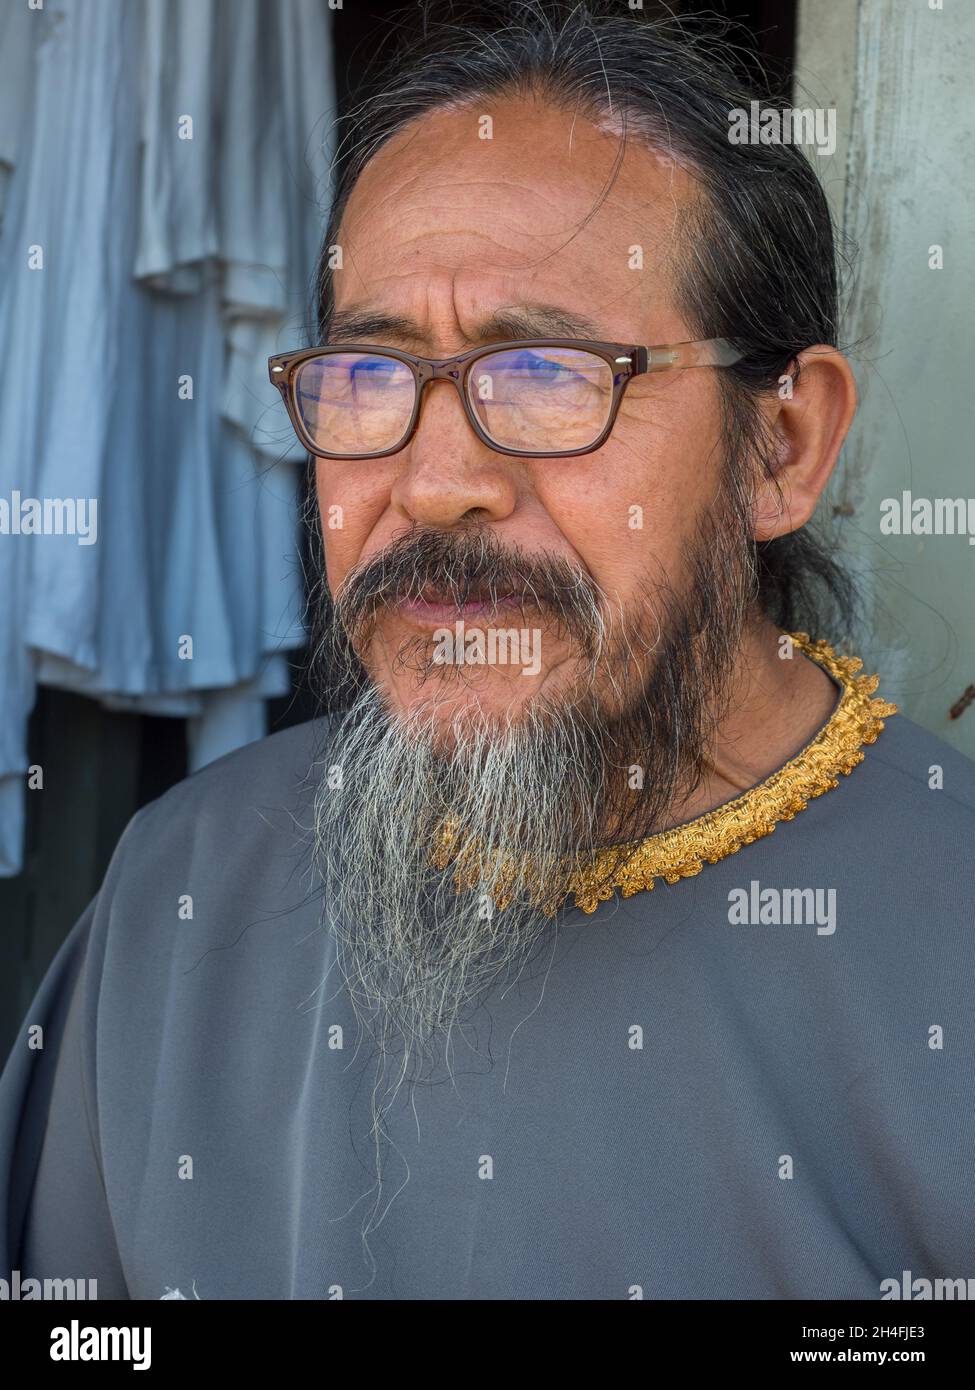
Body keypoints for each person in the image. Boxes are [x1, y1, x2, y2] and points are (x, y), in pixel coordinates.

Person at [1, 2, 973, 1301]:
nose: (436, 481)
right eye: (367, 376)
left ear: (782, 446)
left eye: (551, 373)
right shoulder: (186, 881)